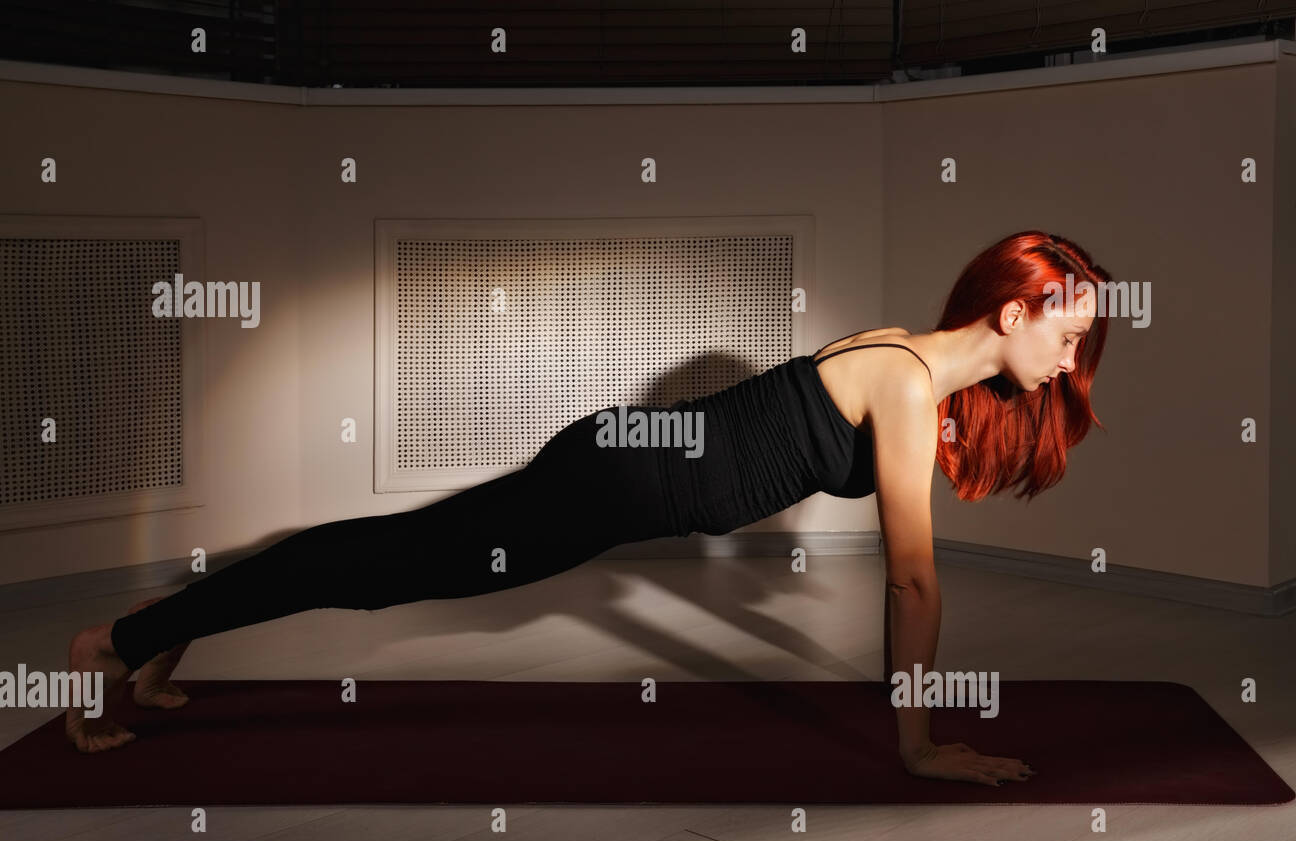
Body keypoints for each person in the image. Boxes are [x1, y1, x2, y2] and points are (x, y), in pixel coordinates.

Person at [65, 230, 1109, 788]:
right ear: (1011, 311)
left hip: (614, 466)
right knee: (388, 568)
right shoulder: (906, 382)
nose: (1070, 363)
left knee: (389, 556)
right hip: (609, 483)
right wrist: (920, 747)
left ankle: (170, 629)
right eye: (1065, 338)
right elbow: (912, 575)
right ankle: (116, 639)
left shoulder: (908, 360)